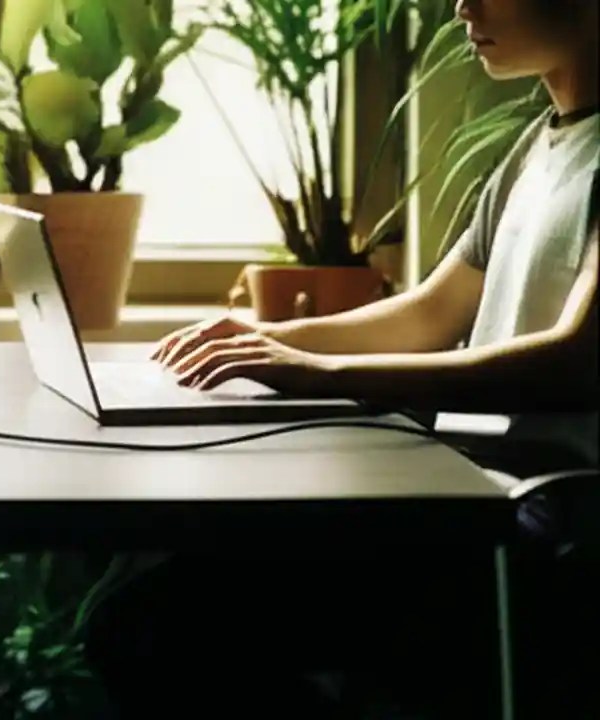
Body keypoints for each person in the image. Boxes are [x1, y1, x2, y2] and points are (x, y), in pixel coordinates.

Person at [84, 0, 598, 717]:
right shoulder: (537, 145)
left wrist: (321, 372)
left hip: (540, 514)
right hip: (465, 490)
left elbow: (577, 359)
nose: (461, 8)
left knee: (148, 616)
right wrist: (263, 340)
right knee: (137, 588)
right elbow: (430, 311)